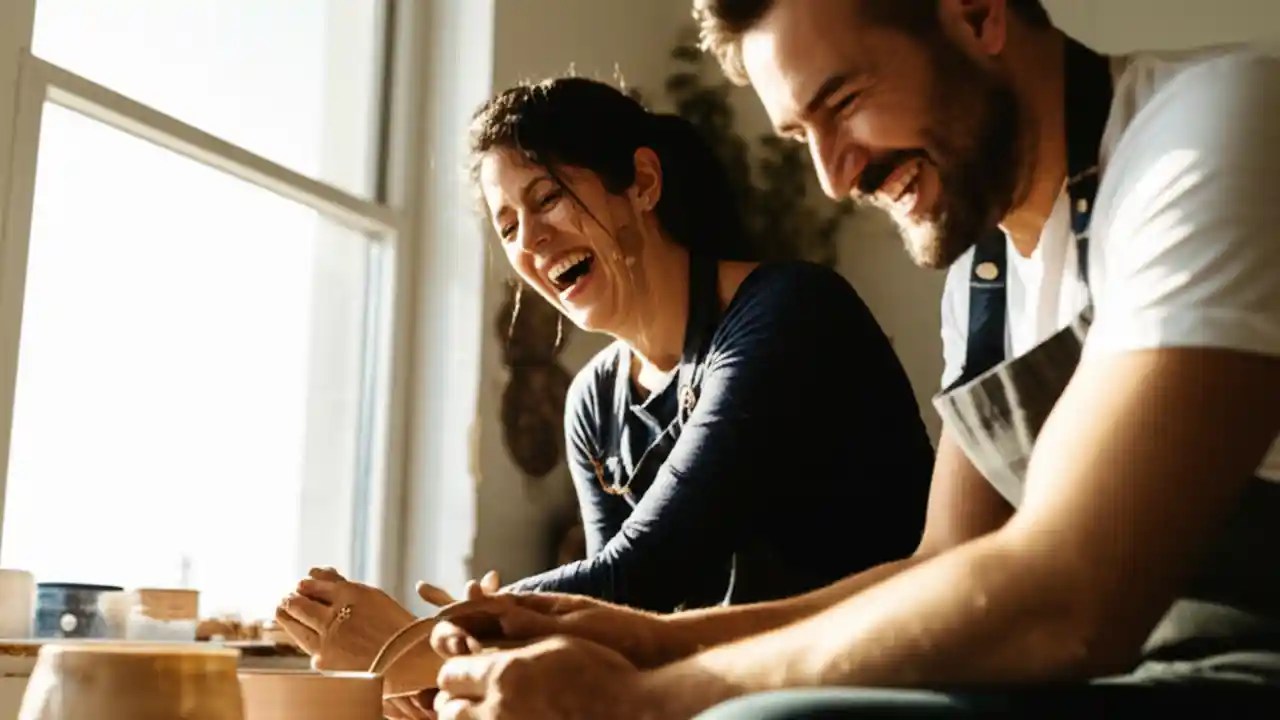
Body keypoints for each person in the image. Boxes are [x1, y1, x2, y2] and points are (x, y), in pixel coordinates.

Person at [422, 1, 1280, 718]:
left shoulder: (1207, 132)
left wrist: (649, 696)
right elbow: (943, 560)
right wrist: (651, 639)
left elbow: (1071, 596)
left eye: (846, 100)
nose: (836, 178)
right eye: (803, 137)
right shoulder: (983, 281)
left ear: (977, 13)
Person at [273, 75, 937, 715]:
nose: (531, 241)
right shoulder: (593, 401)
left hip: (875, 684)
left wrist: (419, 645)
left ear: (642, 183)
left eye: (547, 199)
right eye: (507, 227)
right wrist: (463, 674)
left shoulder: (788, 311)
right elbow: (621, 625)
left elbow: (640, 574)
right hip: (719, 698)